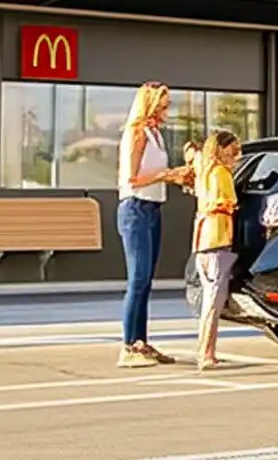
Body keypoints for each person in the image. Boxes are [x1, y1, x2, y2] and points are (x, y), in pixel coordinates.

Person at [115, 81, 184, 369]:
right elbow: (133, 178)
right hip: (136, 209)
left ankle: (140, 342)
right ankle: (128, 345)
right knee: (138, 279)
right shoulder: (137, 133)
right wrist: (166, 175)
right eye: (162, 104)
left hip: (153, 208)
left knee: (146, 281)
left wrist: (176, 176)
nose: (167, 109)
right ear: (150, 104)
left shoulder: (156, 134)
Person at [192, 130, 241, 371]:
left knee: (209, 299)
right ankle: (206, 353)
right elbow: (225, 202)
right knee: (214, 300)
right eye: (234, 149)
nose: (237, 154)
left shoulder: (204, 173)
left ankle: (204, 350)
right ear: (222, 149)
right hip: (217, 238)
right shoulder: (220, 173)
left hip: (203, 240)